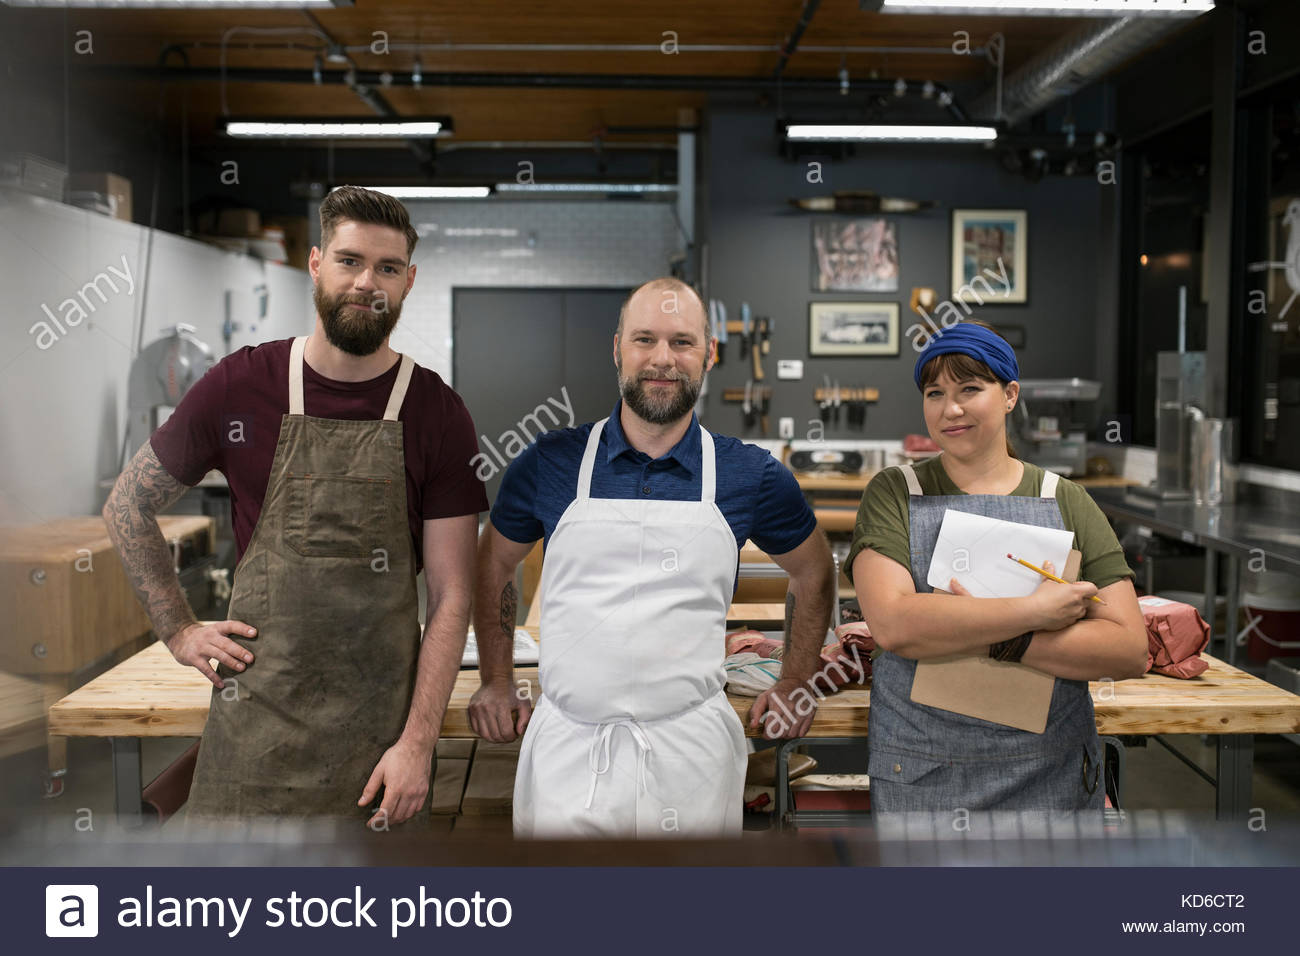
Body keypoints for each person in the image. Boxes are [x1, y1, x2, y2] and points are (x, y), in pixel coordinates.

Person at [102, 186, 488, 827]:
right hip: (255, 733)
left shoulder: (436, 412)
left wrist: (418, 744)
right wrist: (178, 629)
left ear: (410, 280)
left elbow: (452, 596)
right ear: (315, 264)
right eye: (349, 261)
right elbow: (127, 506)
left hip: (379, 747)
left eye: (388, 268)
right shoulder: (239, 385)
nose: (367, 283)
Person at [468, 277, 834, 838]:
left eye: (682, 342)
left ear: (709, 355)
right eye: (645, 340)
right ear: (618, 348)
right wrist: (496, 679)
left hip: (692, 755)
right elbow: (492, 563)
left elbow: (815, 570)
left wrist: (795, 681)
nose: (662, 359)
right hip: (570, 753)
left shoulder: (749, 474)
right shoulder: (551, 462)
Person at [847, 321, 1147, 814]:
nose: (951, 409)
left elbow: (1128, 649)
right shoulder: (895, 492)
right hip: (923, 769)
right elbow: (896, 625)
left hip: (1050, 769)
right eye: (935, 392)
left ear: (1010, 395)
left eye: (970, 388)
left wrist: (992, 634)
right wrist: (1034, 611)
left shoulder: (1067, 500)